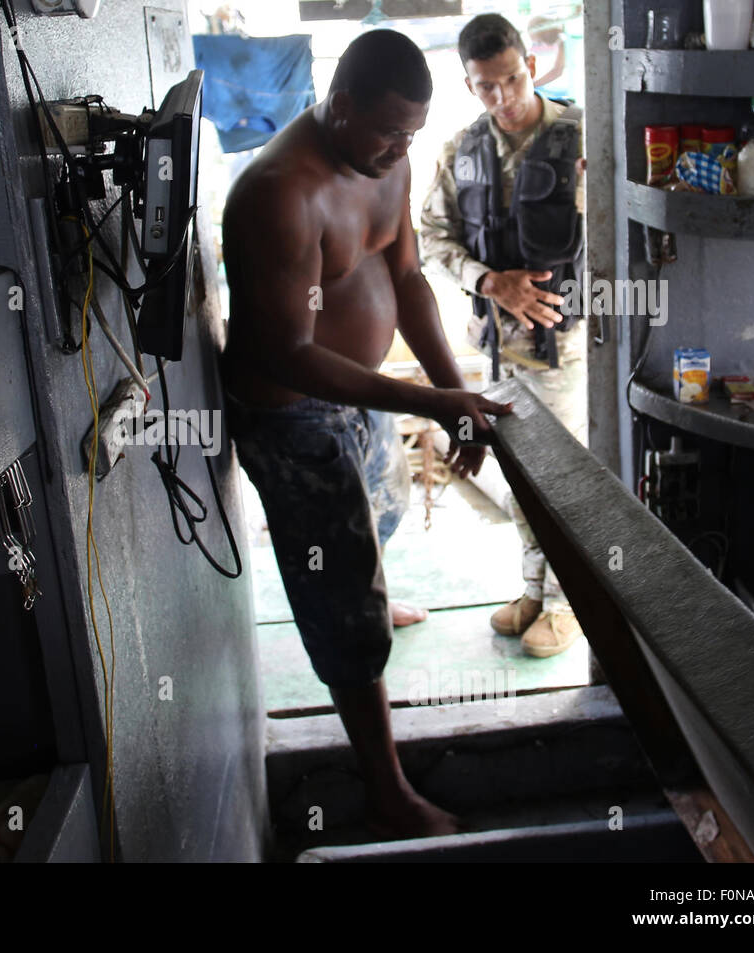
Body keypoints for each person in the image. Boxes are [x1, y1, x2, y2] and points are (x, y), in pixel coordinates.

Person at [221, 28, 511, 839]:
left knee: (374, 523)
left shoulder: (390, 158)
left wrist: (451, 388)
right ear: (339, 105)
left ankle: (373, 590)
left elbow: (409, 276)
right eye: (388, 130)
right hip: (294, 415)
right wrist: (424, 405)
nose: (400, 149)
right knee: (345, 606)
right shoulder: (280, 192)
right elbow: (291, 355)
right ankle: (388, 792)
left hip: (364, 400)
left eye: (413, 132)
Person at [419, 13, 587, 659]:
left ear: (533, 65)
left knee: (565, 483)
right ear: (469, 85)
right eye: (486, 86)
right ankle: (533, 590)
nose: (503, 97)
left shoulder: (579, 139)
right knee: (521, 480)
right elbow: (430, 237)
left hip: (566, 349)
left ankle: (569, 607)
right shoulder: (459, 151)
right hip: (496, 349)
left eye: (513, 79)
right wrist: (490, 281)